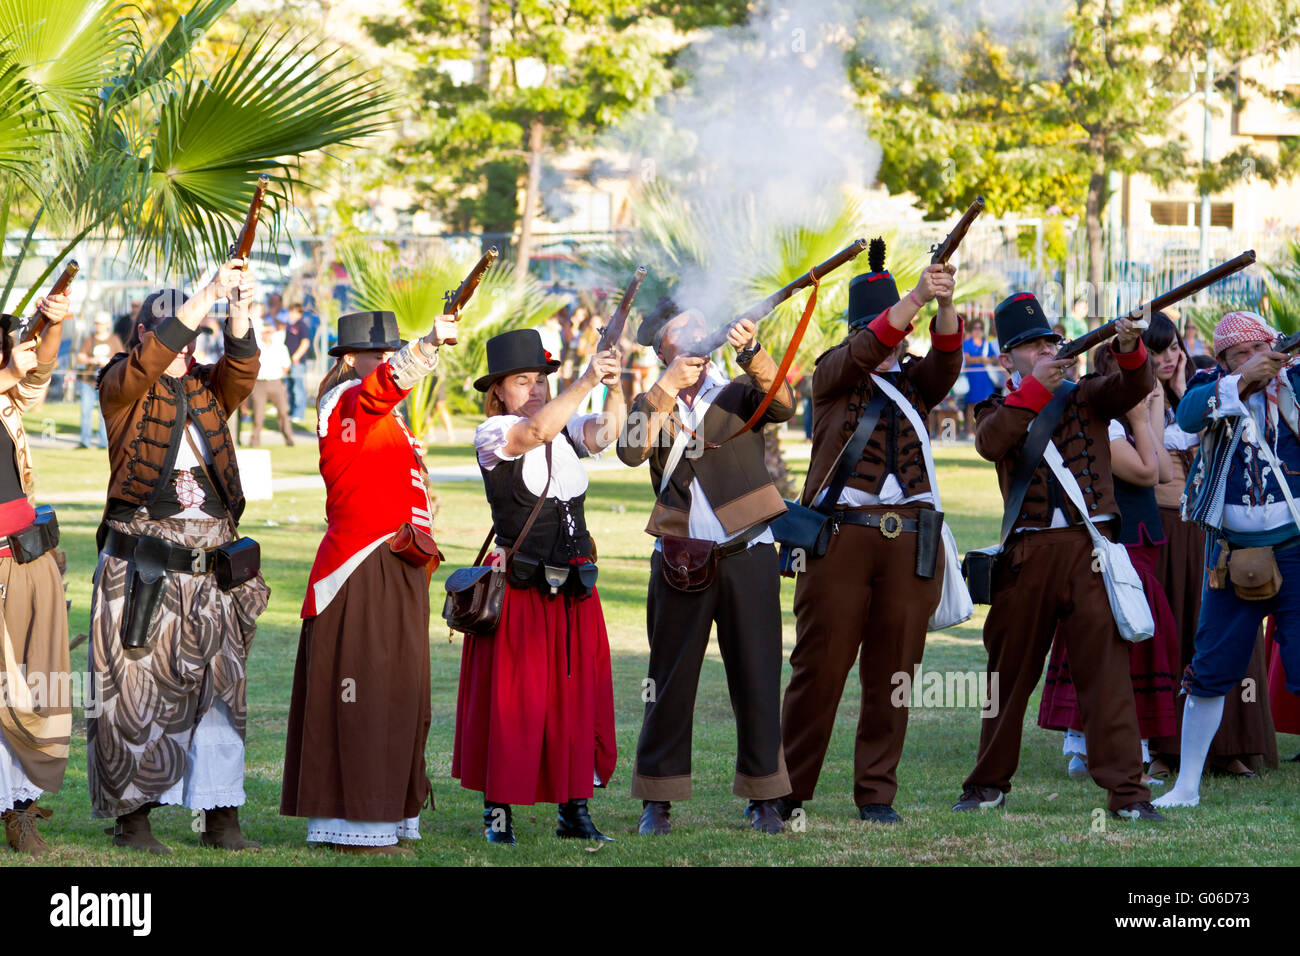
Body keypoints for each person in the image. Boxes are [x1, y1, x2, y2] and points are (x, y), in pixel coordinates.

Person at [952, 292, 1162, 821]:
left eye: (1050, 340)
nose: (1047, 349)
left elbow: (1134, 386)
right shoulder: (997, 406)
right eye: (1032, 345)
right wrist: (1034, 389)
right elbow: (992, 442)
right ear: (1007, 359)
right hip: (1028, 553)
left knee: (1107, 677)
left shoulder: (1086, 394)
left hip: (1090, 551)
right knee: (1009, 676)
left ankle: (1128, 795)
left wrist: (1131, 345)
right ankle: (987, 785)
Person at [87, 259, 269, 854]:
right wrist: (203, 297)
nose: (182, 344)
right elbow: (147, 365)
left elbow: (243, 368)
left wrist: (236, 304)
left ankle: (220, 815)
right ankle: (132, 820)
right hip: (143, 569)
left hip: (212, 570)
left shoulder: (209, 389)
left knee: (221, 692)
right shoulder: (119, 384)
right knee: (134, 696)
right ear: (143, 336)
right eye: (167, 331)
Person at [778, 245, 961, 825]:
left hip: (910, 542)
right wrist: (914, 299)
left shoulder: (915, 382)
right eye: (892, 331)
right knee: (819, 668)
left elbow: (948, 361)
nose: (899, 342)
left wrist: (946, 302)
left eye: (906, 334)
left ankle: (877, 792)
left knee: (896, 672)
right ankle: (786, 789)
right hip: (841, 540)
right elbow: (866, 348)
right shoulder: (834, 371)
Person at [617, 298, 794, 836]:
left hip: (749, 551)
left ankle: (765, 796)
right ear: (662, 345)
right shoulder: (656, 396)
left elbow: (783, 403)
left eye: (700, 320)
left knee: (759, 677)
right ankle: (657, 799)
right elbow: (629, 450)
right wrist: (666, 387)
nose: (698, 329)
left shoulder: (739, 385)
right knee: (669, 684)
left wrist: (753, 351)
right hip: (680, 558)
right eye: (683, 325)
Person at [280, 310, 453, 855]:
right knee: (365, 695)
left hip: (398, 563)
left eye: (390, 352)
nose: (385, 361)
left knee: (401, 696)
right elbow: (378, 393)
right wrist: (426, 345)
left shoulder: (387, 414)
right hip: (361, 565)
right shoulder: (346, 400)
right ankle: (356, 823)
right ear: (350, 358)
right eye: (377, 353)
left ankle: (389, 814)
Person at [451, 328, 625, 845]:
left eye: (540, 379)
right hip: (522, 591)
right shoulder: (494, 435)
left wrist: (613, 383)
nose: (535, 389)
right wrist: (587, 377)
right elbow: (534, 435)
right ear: (499, 392)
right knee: (515, 705)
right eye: (521, 381)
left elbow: (609, 432)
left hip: (573, 588)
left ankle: (575, 811)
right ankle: (497, 815)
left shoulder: (564, 429)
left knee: (575, 701)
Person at [1155, 311, 1300, 808]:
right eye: (1231, 357)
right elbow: (1193, 414)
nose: (1235, 362)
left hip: (1296, 546)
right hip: (1231, 552)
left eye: (1247, 353)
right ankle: (1187, 786)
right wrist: (1242, 378)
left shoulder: (1295, 381)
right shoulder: (1213, 384)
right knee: (1211, 671)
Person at [1037, 352, 1180, 787]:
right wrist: (1139, 416)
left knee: (1126, 643)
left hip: (1139, 542)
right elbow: (1147, 473)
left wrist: (1150, 408)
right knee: (1120, 645)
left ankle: (1093, 747)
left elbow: (1167, 468)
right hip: (1119, 545)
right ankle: (1106, 749)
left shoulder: (1122, 421)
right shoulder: (1106, 425)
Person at [0, 293, 72, 856]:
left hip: (25, 557)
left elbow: (38, 371)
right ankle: (14, 811)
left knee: (34, 691)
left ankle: (21, 806)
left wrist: (53, 326)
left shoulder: (7, 403)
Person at [75, 312, 123, 449]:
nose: (99, 326)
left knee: (104, 413)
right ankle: (85, 441)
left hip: (106, 382)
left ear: (108, 325)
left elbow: (121, 357)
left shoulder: (114, 340)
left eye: (101, 323)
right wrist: (92, 360)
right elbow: (80, 357)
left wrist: (108, 362)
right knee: (85, 411)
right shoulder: (89, 340)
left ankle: (104, 442)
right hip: (88, 381)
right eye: (97, 323)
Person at [246, 312, 294, 447]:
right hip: (260, 383)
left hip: (275, 381)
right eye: (264, 332)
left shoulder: (280, 347)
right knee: (258, 415)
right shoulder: (256, 347)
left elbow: (286, 365)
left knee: (283, 412)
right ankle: (254, 441)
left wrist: (279, 376)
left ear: (273, 332)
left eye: (269, 332)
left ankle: (289, 438)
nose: (266, 334)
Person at [960, 315, 998, 437]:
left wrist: (989, 360)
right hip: (972, 376)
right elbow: (967, 359)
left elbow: (994, 359)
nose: (978, 330)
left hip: (985, 377)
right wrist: (981, 359)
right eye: (975, 328)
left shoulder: (987, 344)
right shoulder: (967, 343)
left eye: (980, 328)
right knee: (971, 404)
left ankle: (983, 430)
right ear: (971, 330)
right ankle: (970, 431)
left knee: (986, 404)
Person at [283, 302, 315, 425]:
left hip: (297, 362)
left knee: (298, 388)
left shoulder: (301, 326)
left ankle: (299, 414)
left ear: (299, 313)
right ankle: (291, 412)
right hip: (287, 361)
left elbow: (305, 342)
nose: (291, 314)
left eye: (293, 312)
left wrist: (296, 356)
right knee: (289, 387)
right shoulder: (287, 325)